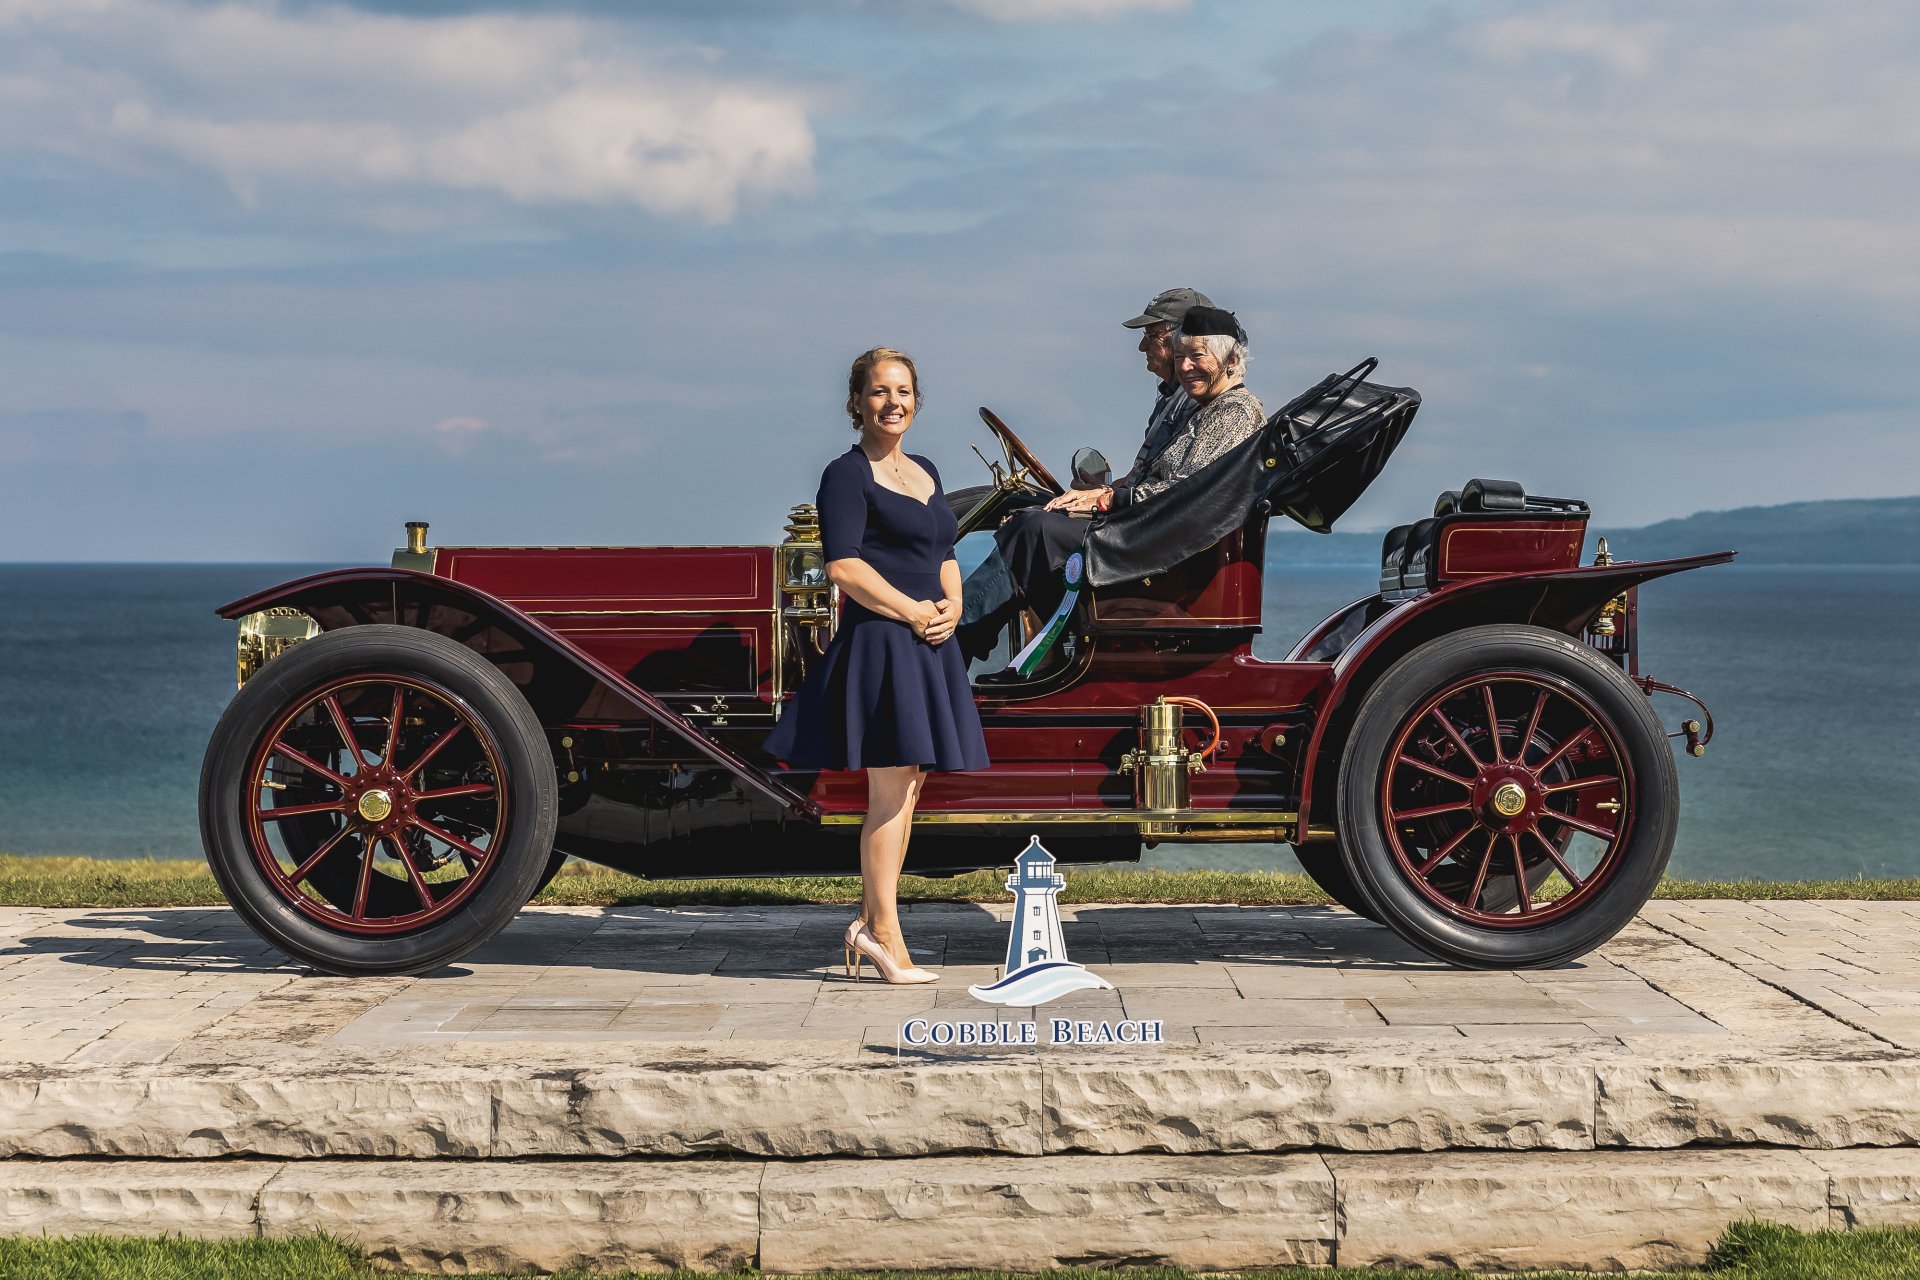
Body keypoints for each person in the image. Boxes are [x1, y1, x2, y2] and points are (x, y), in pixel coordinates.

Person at [764, 347, 989, 985]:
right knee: (889, 794)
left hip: (929, 642)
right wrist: (914, 614)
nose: (894, 403)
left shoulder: (927, 470)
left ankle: (873, 921)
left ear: (917, 401)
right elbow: (844, 566)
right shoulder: (846, 474)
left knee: (909, 788)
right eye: (879, 392)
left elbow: (944, 549)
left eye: (904, 392)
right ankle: (882, 934)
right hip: (885, 643)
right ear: (856, 403)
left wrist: (954, 602)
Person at [968, 306, 1266, 677]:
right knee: (1032, 519)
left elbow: (1183, 494)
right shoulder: (1206, 409)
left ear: (1232, 359)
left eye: (1197, 356)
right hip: (1154, 530)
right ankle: (1035, 650)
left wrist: (1109, 499)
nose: (1186, 367)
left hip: (1161, 543)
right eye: (1180, 357)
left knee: (1034, 528)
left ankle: (964, 638)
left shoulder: (1233, 412)